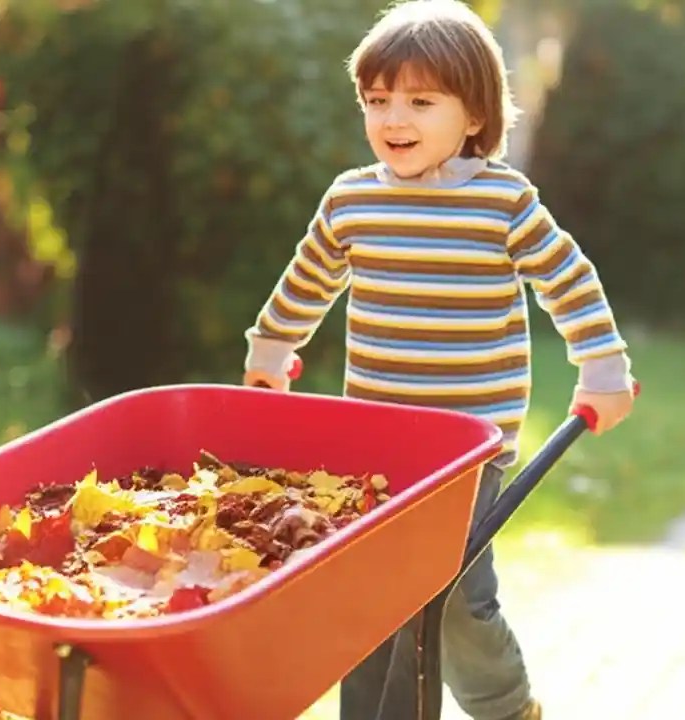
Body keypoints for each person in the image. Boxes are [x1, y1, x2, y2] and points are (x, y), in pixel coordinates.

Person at [240, 1, 636, 718]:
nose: (395, 119)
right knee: (366, 598)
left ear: (476, 117)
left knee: (453, 598)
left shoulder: (502, 202)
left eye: (421, 102)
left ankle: (506, 706)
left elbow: (567, 280)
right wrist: (273, 346)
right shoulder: (353, 199)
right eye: (378, 100)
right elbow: (307, 279)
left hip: (469, 446)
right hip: (376, 443)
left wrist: (601, 366)